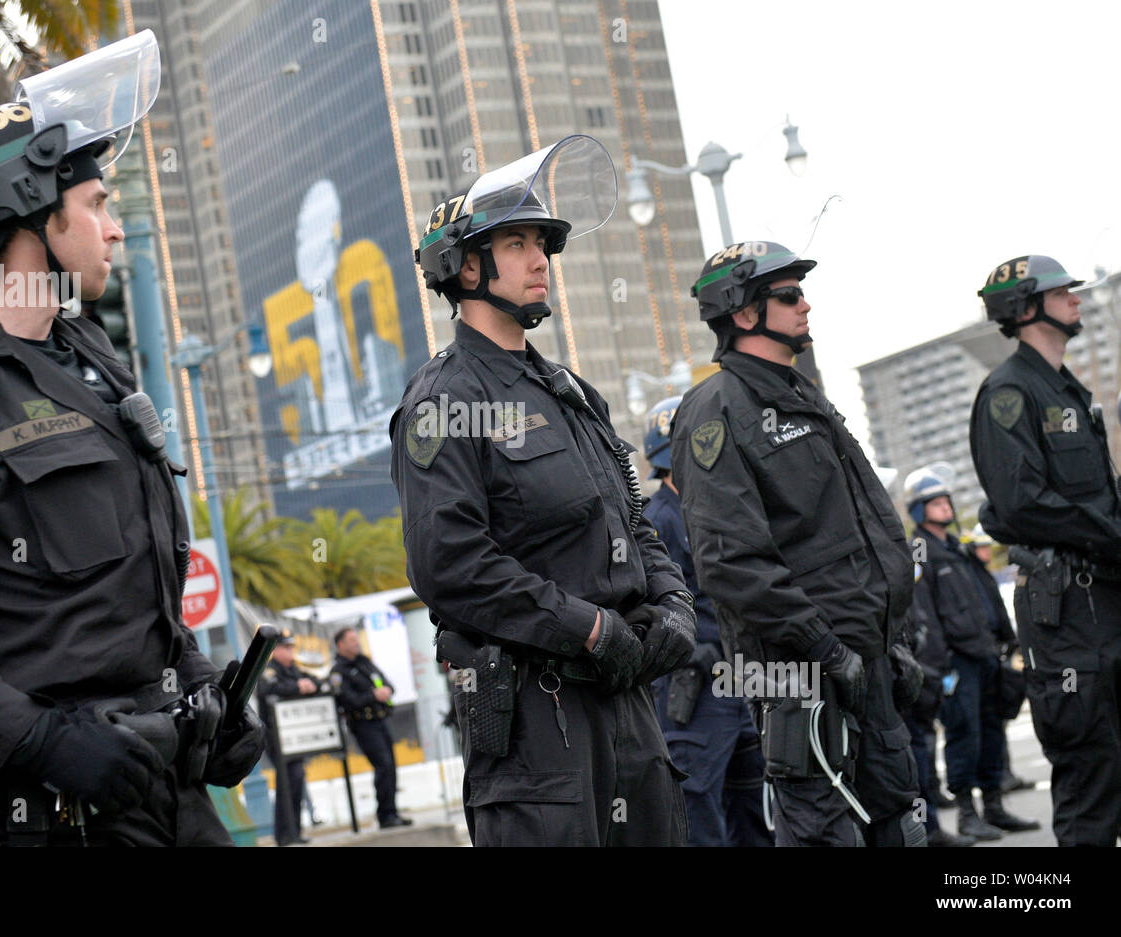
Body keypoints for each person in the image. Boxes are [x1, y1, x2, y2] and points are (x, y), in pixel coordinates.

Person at [0, 35, 263, 846]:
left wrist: (204, 693)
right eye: (98, 205)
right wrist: (40, 739)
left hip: (161, 796)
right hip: (40, 815)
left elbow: (133, 594)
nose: (115, 229)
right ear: (31, 212)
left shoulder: (92, 360)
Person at [392, 137, 694, 846]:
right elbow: (451, 566)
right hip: (538, 728)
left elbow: (632, 515)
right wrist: (588, 628)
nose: (540, 260)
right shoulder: (441, 401)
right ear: (466, 266)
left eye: (543, 244)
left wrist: (672, 604)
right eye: (518, 242)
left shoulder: (569, 391)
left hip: (628, 708)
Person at [671, 240, 925, 847]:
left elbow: (872, 531)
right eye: (788, 295)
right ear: (742, 311)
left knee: (899, 827)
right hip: (797, 678)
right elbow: (730, 562)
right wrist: (826, 650)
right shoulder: (714, 410)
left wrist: (895, 641)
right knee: (824, 836)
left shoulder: (808, 398)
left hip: (868, 663)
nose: (805, 305)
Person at [970, 254, 1121, 846]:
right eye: (1063, 293)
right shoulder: (1008, 392)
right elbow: (1018, 503)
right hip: (1066, 616)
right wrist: (1113, 536)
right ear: (1027, 306)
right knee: (1090, 781)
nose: (1076, 300)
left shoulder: (1066, 389)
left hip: (1103, 600)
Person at [642, 396, 771, 846]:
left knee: (752, 797)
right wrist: (692, 648)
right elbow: (648, 607)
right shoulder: (657, 520)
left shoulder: (716, 509)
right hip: (694, 687)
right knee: (698, 804)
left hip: (740, 680)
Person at [905, 468, 1039, 839]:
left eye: (947, 501)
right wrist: (939, 664)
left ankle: (994, 806)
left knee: (992, 733)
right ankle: (967, 813)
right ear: (919, 510)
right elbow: (921, 613)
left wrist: (1009, 641)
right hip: (955, 662)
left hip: (985, 657)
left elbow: (989, 597)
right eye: (935, 502)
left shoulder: (959, 548)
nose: (945, 507)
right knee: (964, 735)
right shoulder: (919, 552)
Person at [960, 525, 1034, 794]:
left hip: (998, 651)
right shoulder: (970, 576)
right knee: (984, 723)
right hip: (984, 653)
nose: (987, 552)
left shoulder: (983, 574)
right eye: (981, 547)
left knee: (999, 717)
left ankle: (1004, 774)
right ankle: (995, 779)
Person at [903, 575, 973, 846]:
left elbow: (912, 610)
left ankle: (929, 829)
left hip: (908, 673)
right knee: (908, 763)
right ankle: (927, 830)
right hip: (892, 674)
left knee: (917, 759)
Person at [329, 627, 411, 829]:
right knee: (382, 765)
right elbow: (346, 700)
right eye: (351, 640)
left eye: (356, 639)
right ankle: (385, 815)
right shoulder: (339, 671)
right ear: (341, 645)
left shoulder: (364, 662)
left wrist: (386, 691)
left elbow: (387, 683)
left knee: (390, 766)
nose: (356, 643)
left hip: (381, 720)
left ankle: (391, 812)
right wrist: (372, 696)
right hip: (363, 724)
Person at [257, 629, 321, 845]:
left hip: (296, 737)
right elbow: (268, 689)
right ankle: (284, 834)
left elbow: (317, 682)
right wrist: (297, 687)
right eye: (286, 647)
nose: (290, 651)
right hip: (278, 740)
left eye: (291, 647)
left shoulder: (294, 670)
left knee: (296, 780)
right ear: (275, 650)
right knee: (288, 781)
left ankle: (293, 830)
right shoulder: (270, 672)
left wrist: (307, 685)